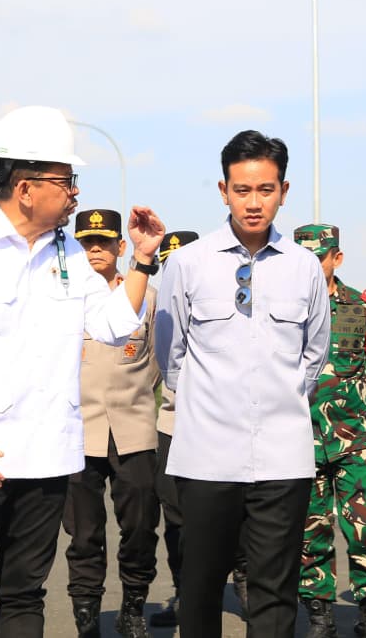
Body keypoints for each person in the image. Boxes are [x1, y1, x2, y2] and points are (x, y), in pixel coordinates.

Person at [0, 105, 165, 638]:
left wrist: (140, 261)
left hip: (47, 457)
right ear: (25, 187)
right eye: (67, 181)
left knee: (25, 592)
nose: (75, 194)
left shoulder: (67, 253)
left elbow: (113, 325)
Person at [155, 129, 331, 637]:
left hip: (282, 456)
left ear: (283, 190)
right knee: (201, 584)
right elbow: (172, 357)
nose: (254, 203)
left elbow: (313, 357)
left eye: (266, 190)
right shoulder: (187, 264)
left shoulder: (304, 269)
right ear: (223, 190)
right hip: (207, 457)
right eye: (242, 190)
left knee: (276, 591)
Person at [292, 223, 366, 638]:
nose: (314, 266)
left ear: (337, 258)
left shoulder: (363, 306)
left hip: (357, 437)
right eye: (306, 257)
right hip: (300, 437)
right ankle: (320, 614)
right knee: (309, 528)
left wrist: (361, 406)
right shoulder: (282, 305)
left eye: (321, 257)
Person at [64, 208, 161, 638]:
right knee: (84, 535)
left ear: (122, 247)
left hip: (134, 428)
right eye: (86, 242)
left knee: (140, 528)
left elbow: (161, 360)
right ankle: (87, 618)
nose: (95, 250)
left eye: (103, 242)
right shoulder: (65, 300)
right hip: (78, 432)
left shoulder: (149, 297)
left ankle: (133, 608)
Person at [146, 229, 199, 628]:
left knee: (238, 511)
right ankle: (185, 592)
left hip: (219, 426)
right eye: (167, 264)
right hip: (171, 424)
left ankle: (246, 583)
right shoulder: (153, 307)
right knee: (176, 518)